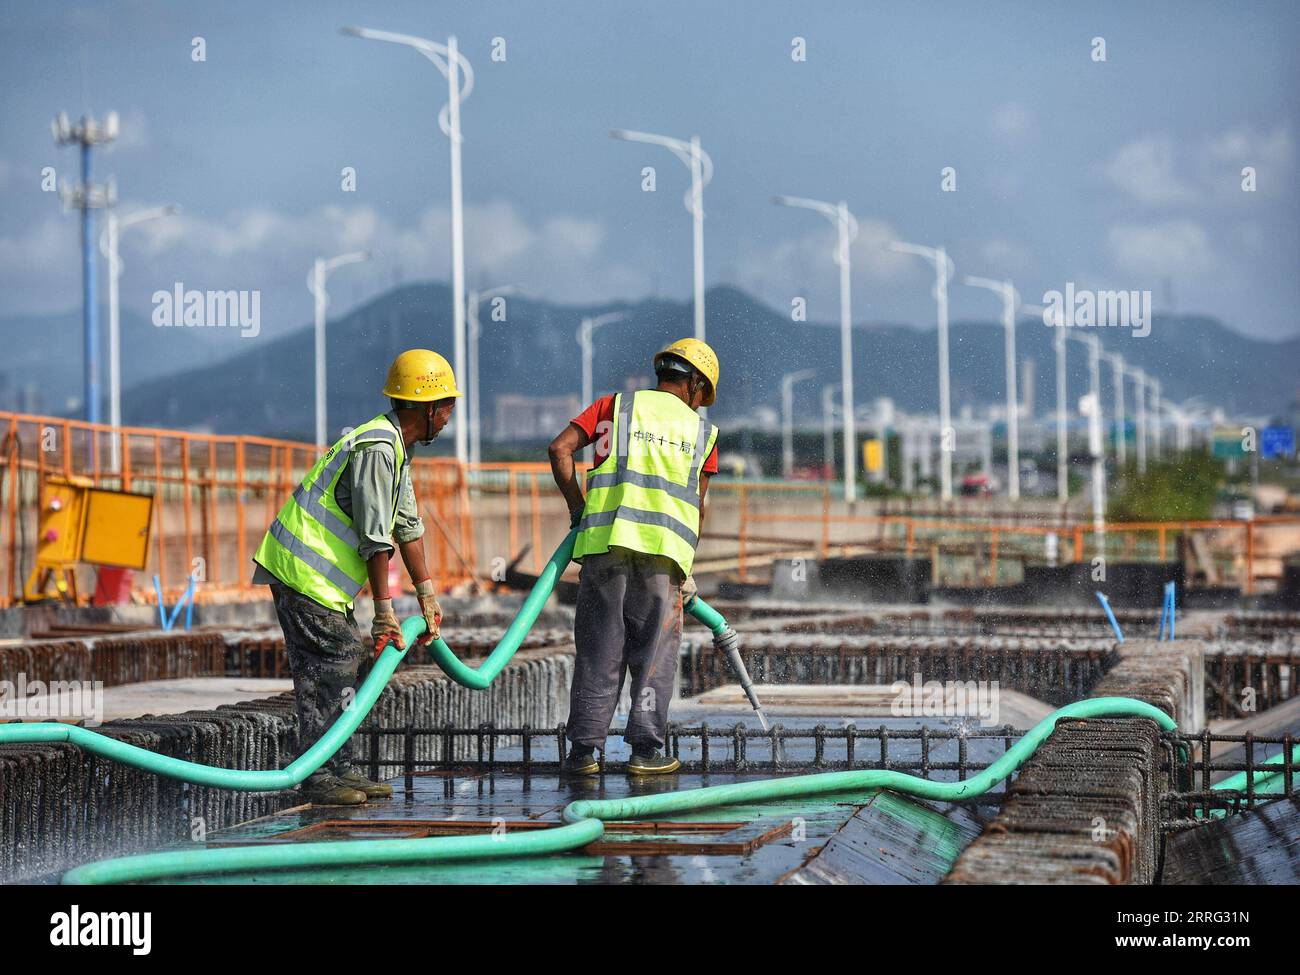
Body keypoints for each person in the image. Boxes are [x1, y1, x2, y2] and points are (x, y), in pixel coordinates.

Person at [251, 349, 456, 805]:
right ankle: (319, 775)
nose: (448, 418)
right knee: (335, 659)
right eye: (446, 407)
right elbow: (375, 537)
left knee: (346, 664)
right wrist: (384, 611)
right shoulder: (377, 449)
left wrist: (426, 595)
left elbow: (407, 527)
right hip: (302, 573)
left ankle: (339, 768)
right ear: (425, 407)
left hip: (321, 581)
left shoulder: (395, 448)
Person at [548, 338, 720, 775]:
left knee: (598, 652)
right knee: (654, 656)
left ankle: (583, 753)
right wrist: (688, 567)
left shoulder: (614, 407)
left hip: (604, 550)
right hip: (663, 560)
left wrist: (576, 508)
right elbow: (698, 507)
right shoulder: (703, 433)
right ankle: (645, 752)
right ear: (696, 385)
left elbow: (559, 449)